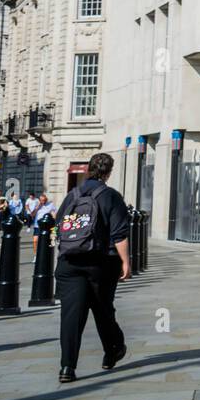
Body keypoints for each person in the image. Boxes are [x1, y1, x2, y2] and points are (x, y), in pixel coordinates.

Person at [53, 152, 131, 383]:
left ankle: (67, 367)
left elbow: (58, 226)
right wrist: (126, 262)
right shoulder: (111, 196)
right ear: (108, 172)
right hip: (101, 263)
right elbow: (119, 234)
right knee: (103, 309)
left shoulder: (72, 195)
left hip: (69, 262)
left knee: (71, 316)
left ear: (89, 170)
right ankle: (113, 350)